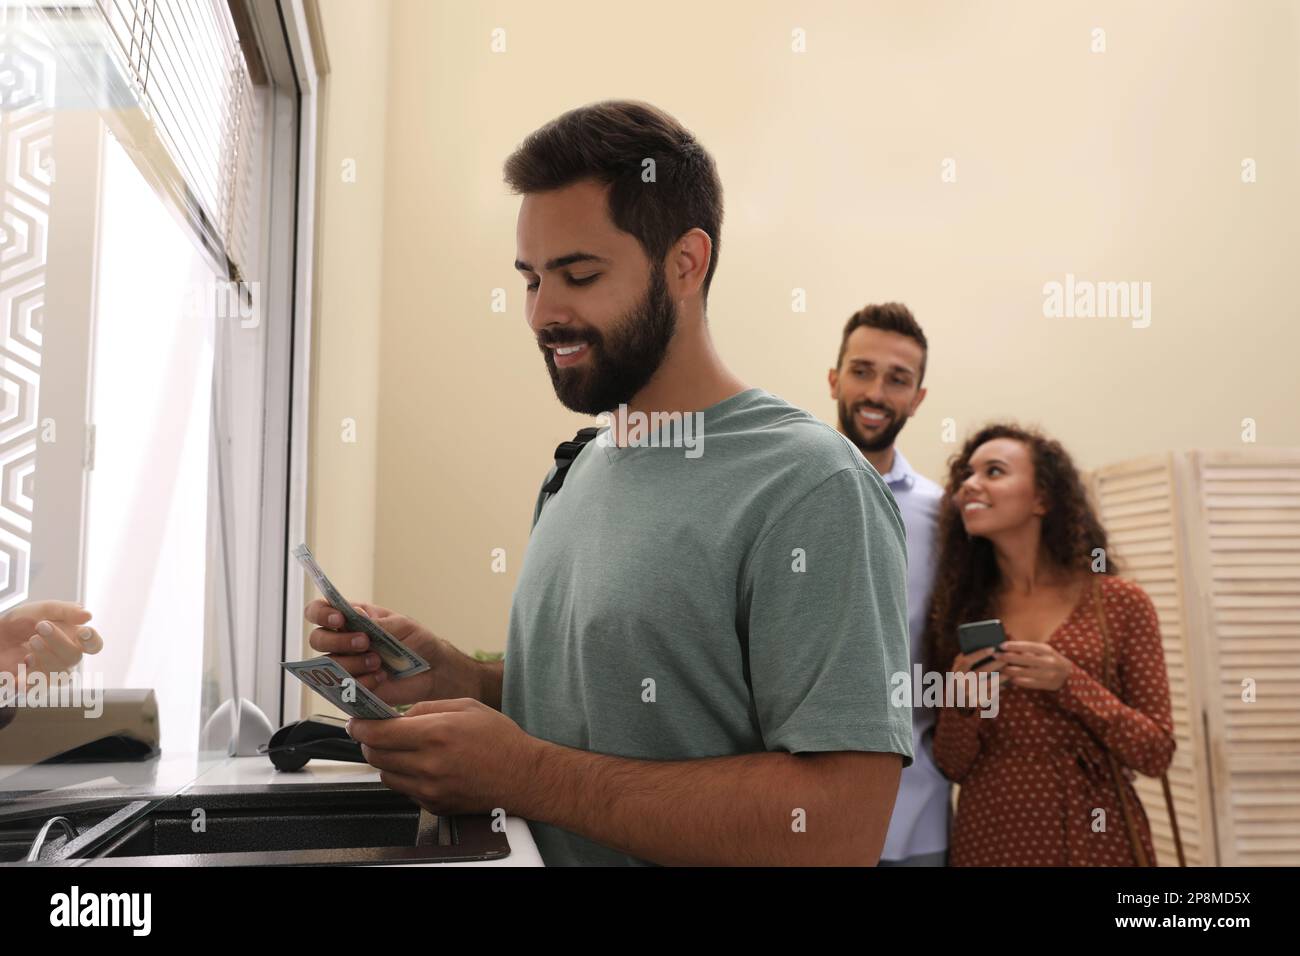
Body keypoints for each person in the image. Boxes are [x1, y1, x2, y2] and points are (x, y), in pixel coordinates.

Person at [305, 100, 913, 866]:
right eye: (530, 280)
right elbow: (619, 713)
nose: (542, 313)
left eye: (579, 274)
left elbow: (838, 828)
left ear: (687, 262)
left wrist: (526, 775)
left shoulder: (811, 488)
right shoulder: (580, 468)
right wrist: (466, 679)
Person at [926, 423, 1175, 865]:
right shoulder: (962, 614)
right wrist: (962, 705)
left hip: (1099, 835)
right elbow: (953, 765)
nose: (969, 484)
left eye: (994, 471)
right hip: (992, 836)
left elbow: (1155, 752)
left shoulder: (1119, 603)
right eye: (966, 473)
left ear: (1042, 498)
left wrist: (1070, 683)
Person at [827, 302, 950, 866]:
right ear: (834, 379)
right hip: (798, 819)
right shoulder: (777, 498)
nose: (876, 391)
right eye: (862, 370)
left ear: (918, 398)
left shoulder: (944, 518)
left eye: (897, 379)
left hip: (916, 823)